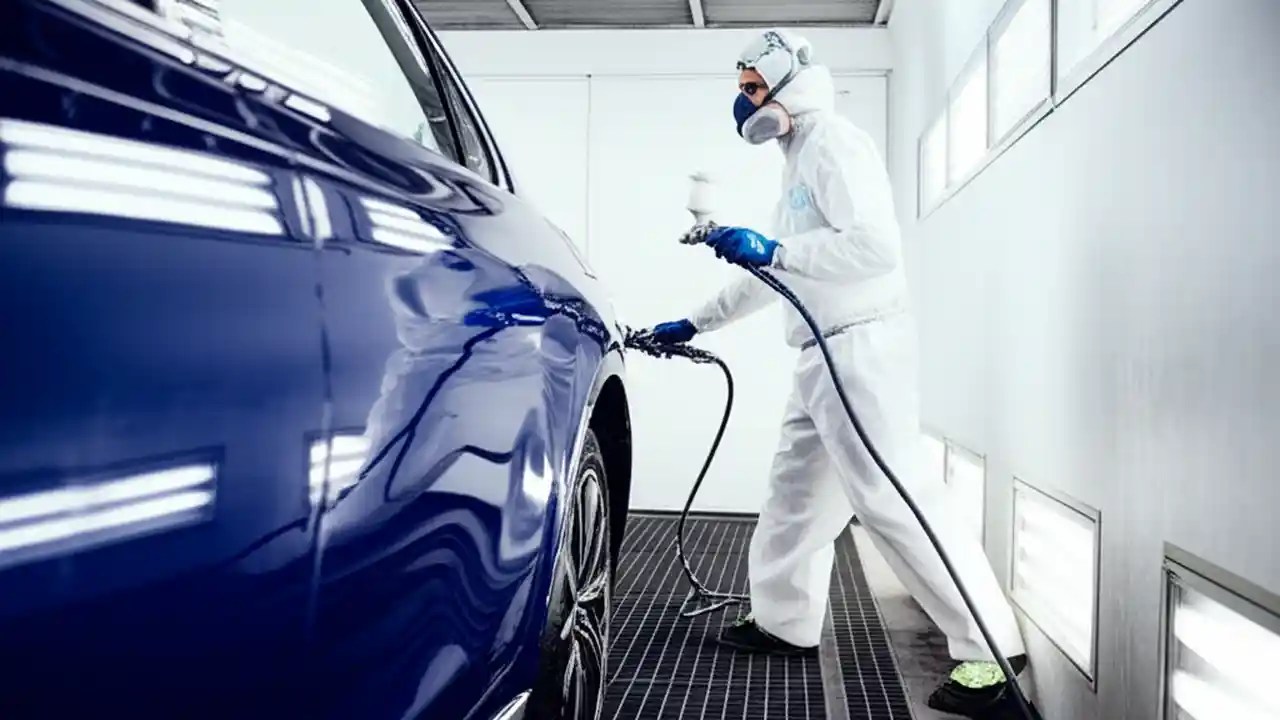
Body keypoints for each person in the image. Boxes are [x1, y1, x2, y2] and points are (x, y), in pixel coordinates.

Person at [647, 29, 1029, 716]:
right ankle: (783, 622)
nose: (745, 105)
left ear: (790, 84)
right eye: (741, 93)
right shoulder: (797, 161)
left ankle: (990, 652)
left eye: (753, 91)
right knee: (795, 496)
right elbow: (773, 271)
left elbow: (874, 248)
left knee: (891, 498)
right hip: (822, 355)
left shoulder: (833, 142)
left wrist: (779, 249)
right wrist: (694, 321)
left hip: (860, 351)